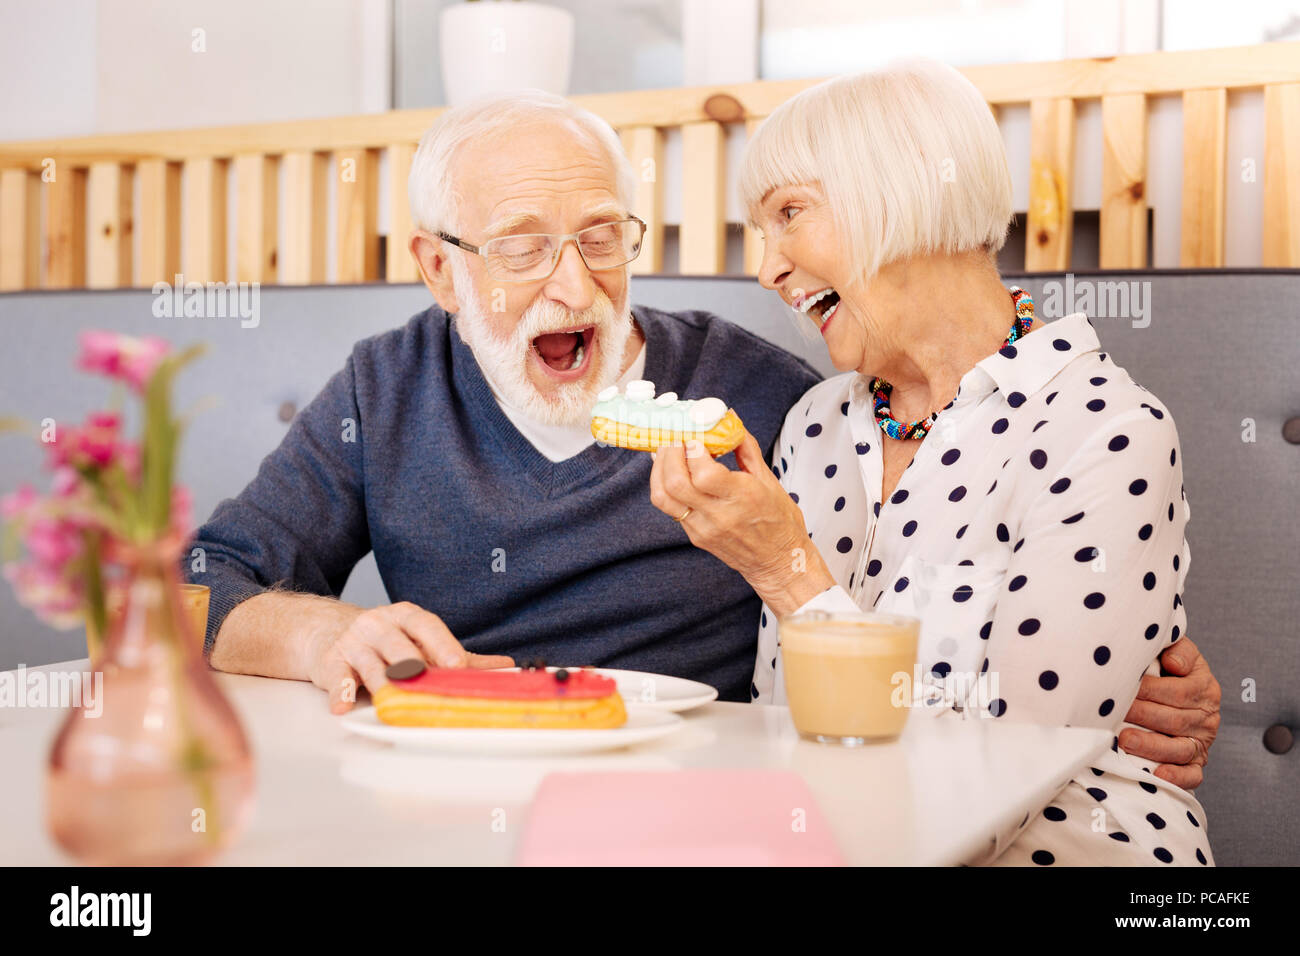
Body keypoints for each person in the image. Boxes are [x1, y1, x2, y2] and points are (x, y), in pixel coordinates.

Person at [187, 89, 1219, 796]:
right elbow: (178, 594)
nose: (572, 283)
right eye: (519, 246)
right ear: (439, 268)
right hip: (451, 789)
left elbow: (911, 607)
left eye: (601, 235)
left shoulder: (770, 400)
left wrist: (1130, 677)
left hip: (690, 810)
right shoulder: (388, 387)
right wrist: (319, 637)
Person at [647, 59, 1216, 865]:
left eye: (790, 214)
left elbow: (994, 788)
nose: (766, 267)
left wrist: (785, 572)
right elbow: (800, 737)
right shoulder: (813, 423)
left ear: (906, 191)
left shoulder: (1106, 431)